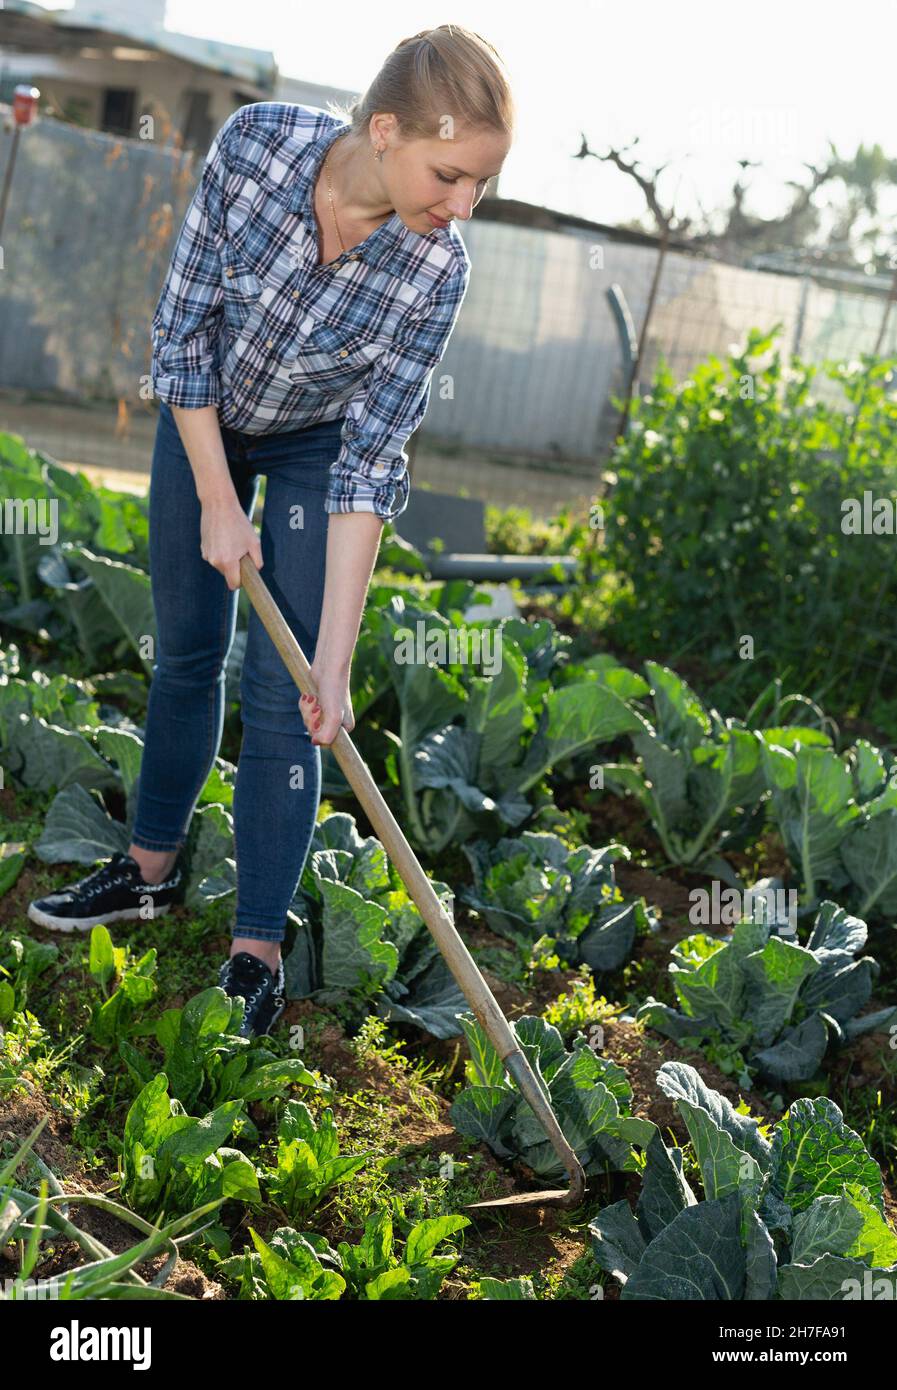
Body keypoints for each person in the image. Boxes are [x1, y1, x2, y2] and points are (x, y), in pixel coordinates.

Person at [27, 26, 514, 1038]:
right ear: (386, 130)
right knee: (187, 650)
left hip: (313, 449)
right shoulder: (256, 150)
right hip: (203, 414)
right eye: (450, 174)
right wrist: (214, 494)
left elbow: (372, 461)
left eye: (480, 186)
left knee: (289, 699)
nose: (461, 206)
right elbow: (183, 333)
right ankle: (148, 870)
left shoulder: (436, 272)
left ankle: (255, 952)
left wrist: (332, 661)